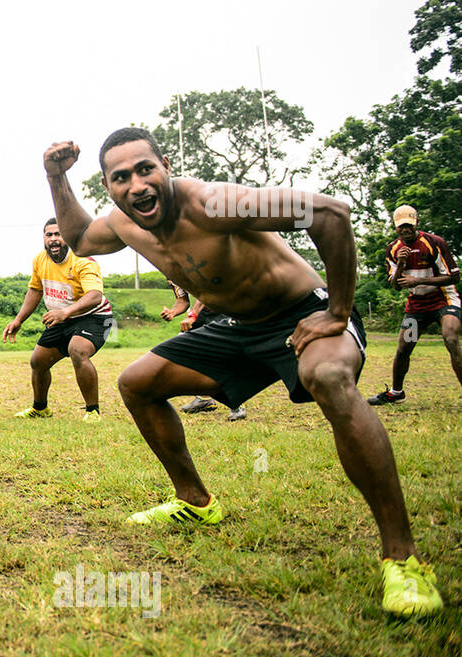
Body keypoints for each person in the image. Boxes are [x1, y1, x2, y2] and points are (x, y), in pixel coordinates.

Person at [42, 127, 441, 616]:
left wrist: (337, 311)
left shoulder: (215, 203)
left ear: (165, 166)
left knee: (330, 379)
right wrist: (56, 176)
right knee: (137, 383)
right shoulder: (125, 223)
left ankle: (404, 559)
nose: (137, 185)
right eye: (121, 177)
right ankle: (195, 502)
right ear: (108, 187)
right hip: (237, 327)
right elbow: (81, 236)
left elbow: (329, 213)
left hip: (301, 314)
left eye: (146, 169)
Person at [2, 218, 112, 421]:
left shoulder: (83, 260)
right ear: (44, 238)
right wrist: (19, 320)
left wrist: (66, 312)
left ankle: (92, 411)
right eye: (49, 234)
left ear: (68, 236)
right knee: (38, 362)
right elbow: (35, 290)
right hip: (63, 318)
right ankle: (40, 409)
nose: (53, 239)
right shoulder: (39, 260)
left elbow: (95, 295)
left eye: (58, 234)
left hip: (96, 316)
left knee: (77, 350)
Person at [366, 205, 461, 405]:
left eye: (409, 225)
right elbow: (395, 286)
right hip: (417, 307)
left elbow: (453, 277)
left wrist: (418, 282)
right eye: (401, 227)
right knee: (403, 348)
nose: (406, 230)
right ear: (396, 227)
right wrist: (400, 264)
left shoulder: (434, 242)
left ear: (416, 223)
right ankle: (396, 392)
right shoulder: (393, 249)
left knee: (451, 338)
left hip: (443, 300)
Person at [163, 282, 246, 421]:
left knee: (221, 358)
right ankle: (204, 398)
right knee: (187, 354)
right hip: (199, 313)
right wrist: (173, 312)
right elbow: (182, 300)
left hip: (222, 309)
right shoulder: (170, 274)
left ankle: (236, 403)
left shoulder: (190, 262)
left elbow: (208, 290)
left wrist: (193, 315)